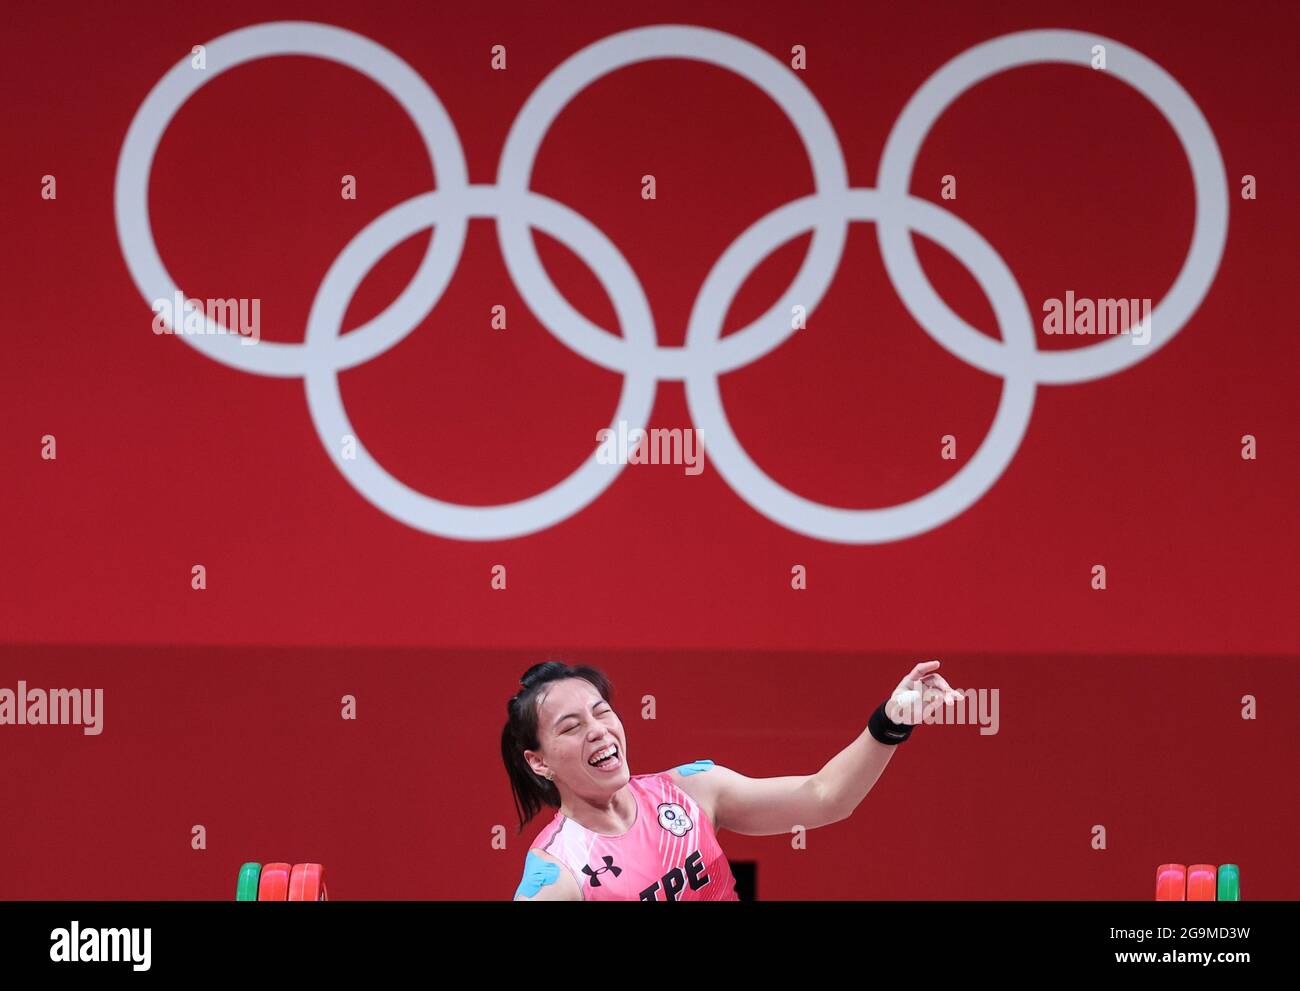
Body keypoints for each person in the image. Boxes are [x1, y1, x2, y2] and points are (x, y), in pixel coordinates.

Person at [501, 658, 959, 900]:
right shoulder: (557, 875)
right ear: (539, 763)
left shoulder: (688, 791)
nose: (598, 730)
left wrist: (891, 723)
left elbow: (825, 798)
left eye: (602, 712)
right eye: (571, 726)